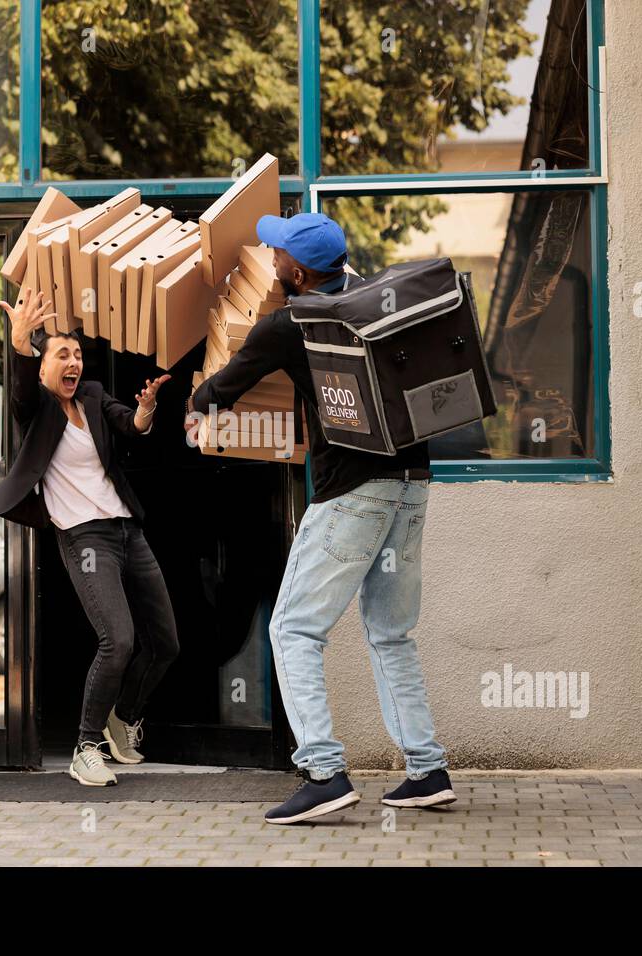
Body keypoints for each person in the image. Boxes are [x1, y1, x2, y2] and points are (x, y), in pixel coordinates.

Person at [187, 213, 456, 824]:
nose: (270, 255)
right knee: (391, 634)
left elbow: (229, 383)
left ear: (299, 271)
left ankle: (323, 771)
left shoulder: (290, 324)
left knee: (292, 630)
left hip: (352, 494)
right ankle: (427, 769)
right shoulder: (370, 303)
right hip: (412, 486)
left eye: (278, 251)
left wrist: (196, 401)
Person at [0, 287, 178, 786]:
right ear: (46, 366)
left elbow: (128, 424)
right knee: (118, 640)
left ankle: (123, 717)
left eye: (76, 354)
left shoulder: (90, 395)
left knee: (165, 642)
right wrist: (21, 340)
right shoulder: (38, 408)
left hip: (126, 530)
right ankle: (85, 747)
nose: (72, 363)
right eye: (62, 355)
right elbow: (23, 384)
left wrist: (146, 409)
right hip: (83, 537)